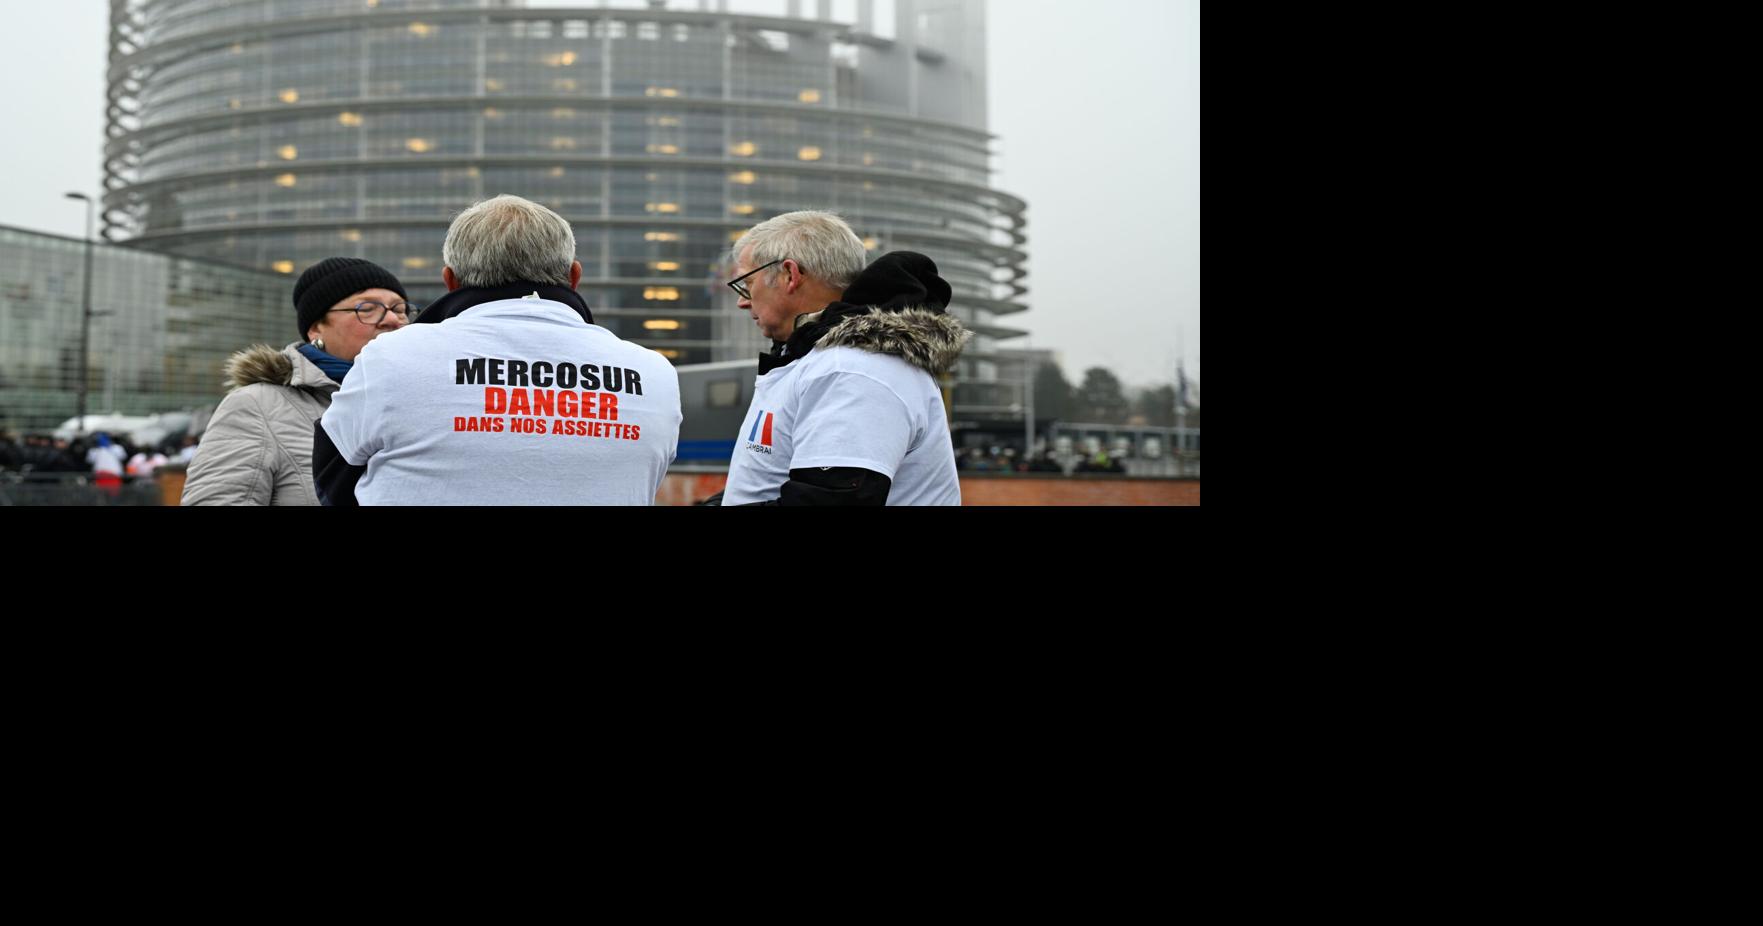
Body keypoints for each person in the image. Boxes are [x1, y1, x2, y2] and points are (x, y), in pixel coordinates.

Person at [314, 194, 681, 505]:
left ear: (451, 280)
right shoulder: (655, 373)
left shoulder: (391, 356)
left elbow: (334, 482)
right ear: (573, 277)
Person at [717, 211, 968, 506]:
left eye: (748, 284)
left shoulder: (852, 369)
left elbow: (828, 500)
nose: (742, 301)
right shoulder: (827, 361)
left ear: (789, 275)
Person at [181, 257, 410, 505]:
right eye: (367, 308)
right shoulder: (257, 406)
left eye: (400, 309)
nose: (392, 320)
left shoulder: (424, 400)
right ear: (316, 329)